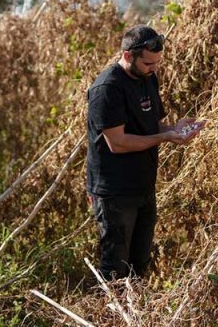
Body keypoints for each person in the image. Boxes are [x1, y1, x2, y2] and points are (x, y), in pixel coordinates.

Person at [86, 25, 204, 280]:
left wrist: (175, 128)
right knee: (115, 268)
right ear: (128, 56)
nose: (155, 68)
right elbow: (117, 142)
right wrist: (165, 137)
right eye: (149, 63)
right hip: (114, 192)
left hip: (143, 186)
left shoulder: (147, 78)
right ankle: (108, 316)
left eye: (158, 63)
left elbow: (149, 127)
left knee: (140, 263)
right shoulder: (107, 89)